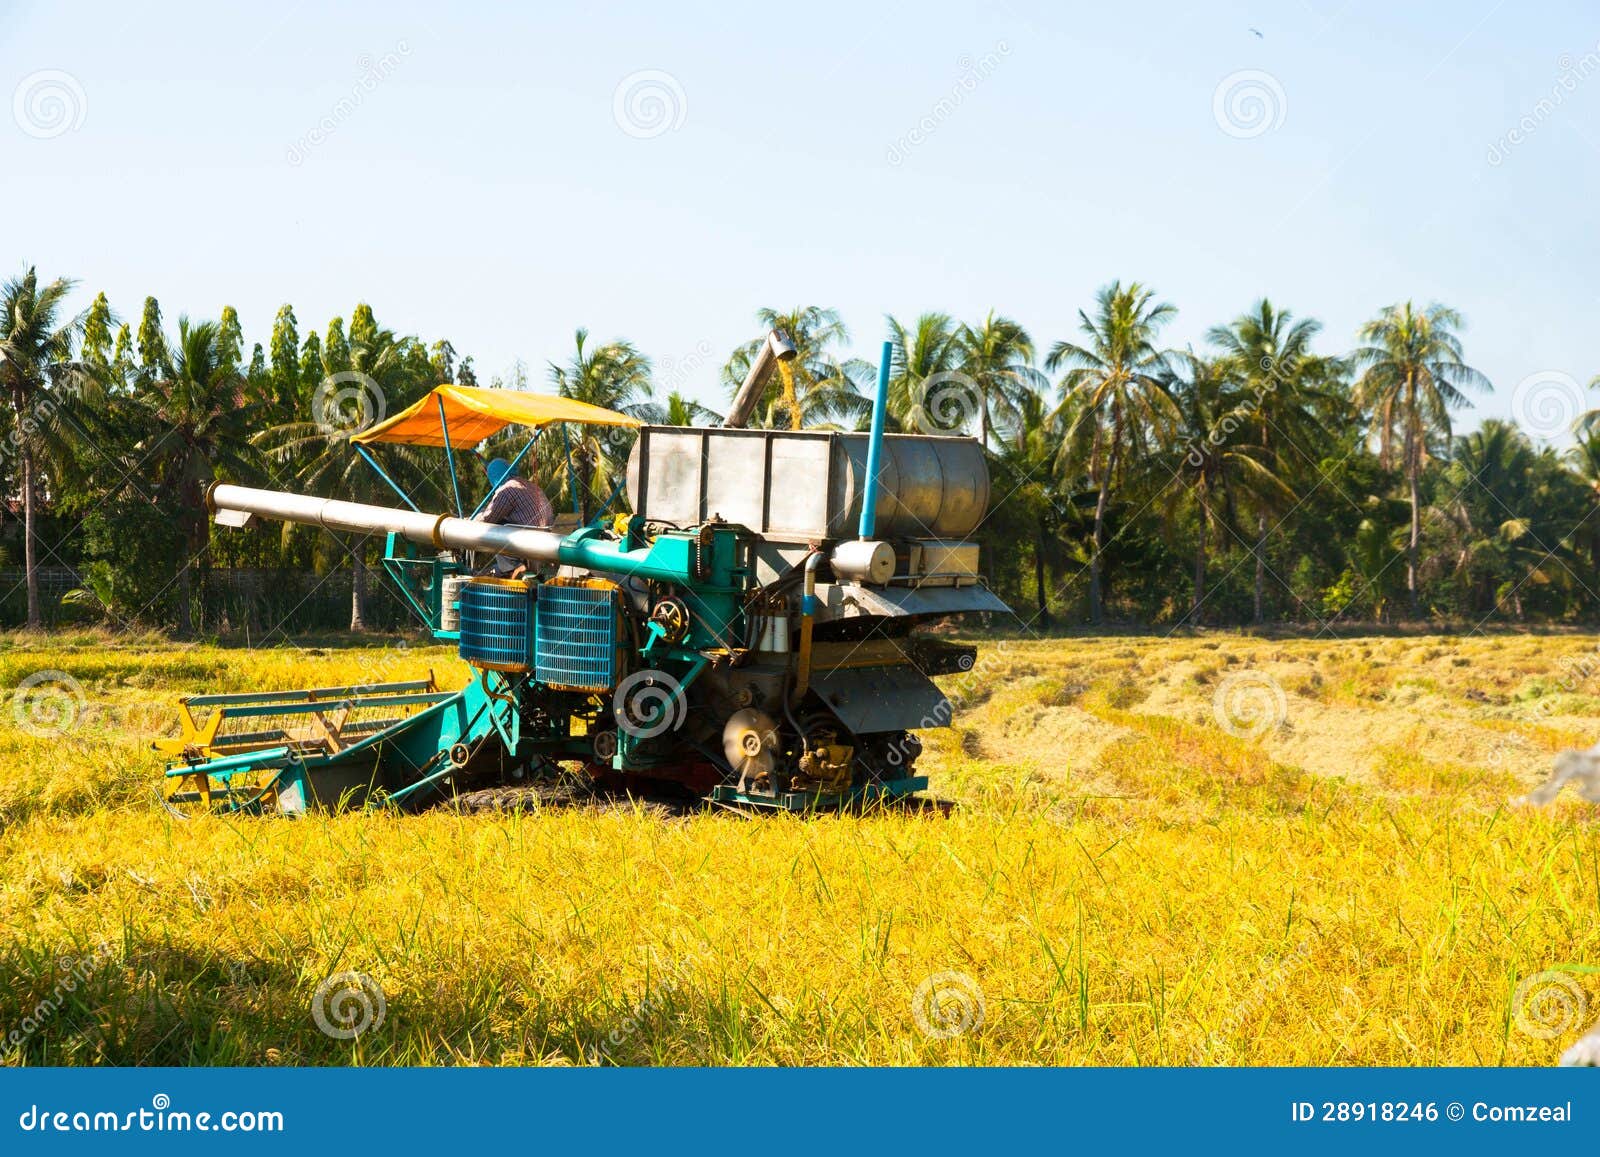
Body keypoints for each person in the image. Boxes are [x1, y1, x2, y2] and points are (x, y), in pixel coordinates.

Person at [481, 458, 554, 576]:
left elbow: (488, 519)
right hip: (547, 535)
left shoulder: (507, 489)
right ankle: (515, 566)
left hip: (529, 540)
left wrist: (470, 520)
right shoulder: (529, 485)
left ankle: (515, 566)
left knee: (493, 528)